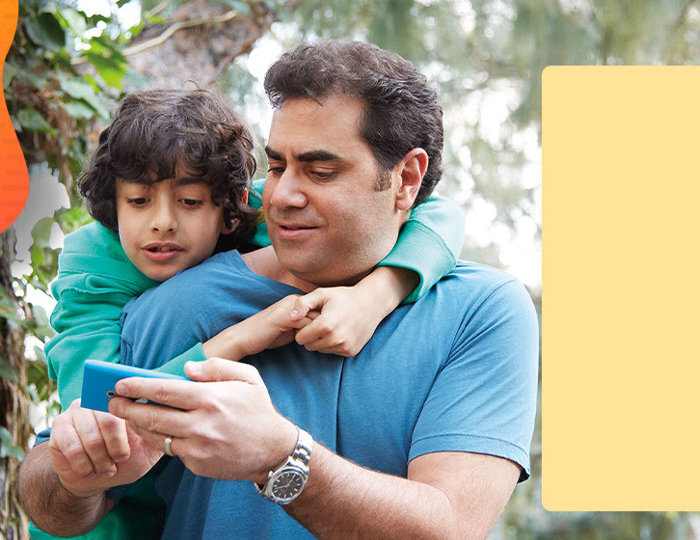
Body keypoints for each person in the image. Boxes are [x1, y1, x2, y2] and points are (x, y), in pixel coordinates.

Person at [19, 40, 538, 539]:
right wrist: (77, 478)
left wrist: (282, 458)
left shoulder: (481, 311)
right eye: (276, 166)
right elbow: (52, 486)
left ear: (406, 179)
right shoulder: (179, 296)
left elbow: (449, 529)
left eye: (319, 170)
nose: (283, 194)